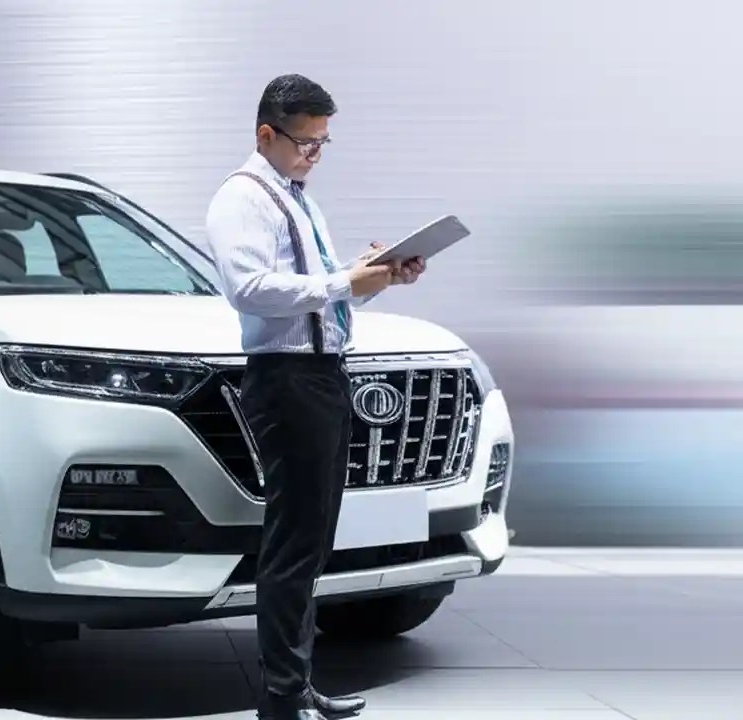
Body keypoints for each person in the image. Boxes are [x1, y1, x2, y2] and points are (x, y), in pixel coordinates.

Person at [204, 74, 426, 720]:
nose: (315, 155)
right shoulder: (241, 198)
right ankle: (280, 698)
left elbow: (320, 298)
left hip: (324, 374)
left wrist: (376, 277)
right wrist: (343, 281)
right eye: (306, 143)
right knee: (294, 543)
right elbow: (250, 290)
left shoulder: (297, 199)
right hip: (285, 379)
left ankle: (297, 685)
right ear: (265, 135)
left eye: (323, 143)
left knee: (314, 541)